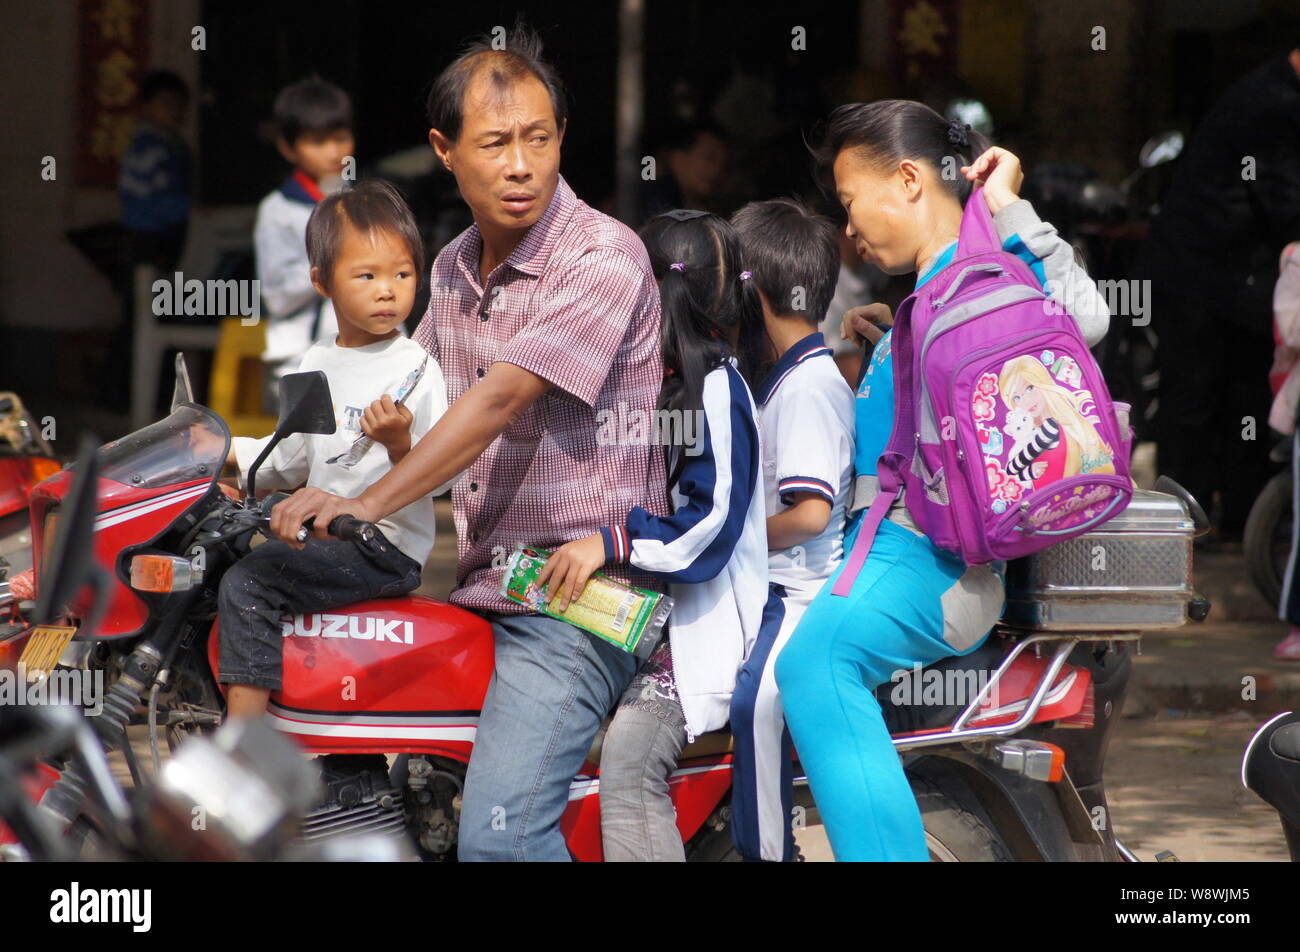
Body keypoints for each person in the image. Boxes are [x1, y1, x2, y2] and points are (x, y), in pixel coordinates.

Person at [265, 23, 671, 861]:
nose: (519, 165)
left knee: (501, 841)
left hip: (575, 611)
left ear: (561, 136)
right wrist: (270, 476)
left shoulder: (602, 256)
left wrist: (364, 502)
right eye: (494, 144)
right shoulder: (447, 270)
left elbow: (498, 398)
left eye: (537, 138)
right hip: (485, 593)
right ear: (445, 151)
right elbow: (392, 395)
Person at [774, 100, 1111, 861]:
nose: (849, 228)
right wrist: (890, 346)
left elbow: (1086, 317)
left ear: (908, 178)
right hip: (887, 553)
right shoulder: (930, 294)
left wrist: (1009, 200)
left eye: (852, 201)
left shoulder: (980, 269)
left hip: (931, 562)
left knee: (816, 665)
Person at [535, 210, 769, 862]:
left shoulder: (718, 390)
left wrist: (611, 542)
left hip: (705, 640)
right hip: (655, 624)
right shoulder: (666, 385)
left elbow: (711, 524)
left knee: (629, 767)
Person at [218, 180, 452, 719]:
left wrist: (399, 444)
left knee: (250, 582)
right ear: (322, 281)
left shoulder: (415, 367)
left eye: (402, 273)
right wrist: (224, 453)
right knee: (213, 560)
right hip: (320, 534)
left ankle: (242, 740)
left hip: (383, 546)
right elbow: (287, 461)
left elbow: (439, 478)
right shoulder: (313, 361)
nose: (388, 290)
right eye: (367, 276)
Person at [723, 198, 854, 862]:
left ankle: (769, 853)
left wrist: (728, 538)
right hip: (776, 587)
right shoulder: (796, 376)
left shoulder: (805, 388)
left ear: (753, 291)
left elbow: (809, 514)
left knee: (757, 707)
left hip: (793, 595)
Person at [1143, 41, 1300, 542]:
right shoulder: (1271, 102)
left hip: (1240, 283)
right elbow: (1282, 196)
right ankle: (1183, 524)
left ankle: (1241, 519)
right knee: (1192, 399)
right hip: (1200, 275)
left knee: (1247, 399)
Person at [255, 76, 356, 399]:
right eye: (317, 141)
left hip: (362, 355)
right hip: (300, 361)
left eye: (341, 138)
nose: (333, 152)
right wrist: (334, 262)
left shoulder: (362, 203)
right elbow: (276, 296)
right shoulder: (277, 210)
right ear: (288, 147)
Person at [119, 70, 193, 272]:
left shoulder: (175, 147)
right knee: (147, 297)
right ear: (147, 107)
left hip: (171, 238)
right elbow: (142, 200)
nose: (175, 111)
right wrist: (189, 209)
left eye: (180, 105)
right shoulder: (147, 148)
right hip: (147, 239)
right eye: (167, 104)